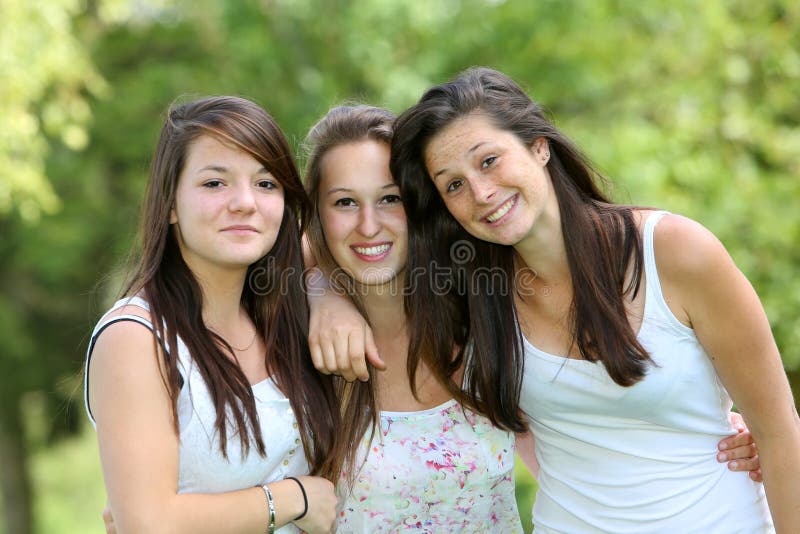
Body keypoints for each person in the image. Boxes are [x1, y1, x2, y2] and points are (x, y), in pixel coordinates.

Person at [385, 67, 798, 532]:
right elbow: (327, 257)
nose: (481, 193)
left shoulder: (674, 253)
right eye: (453, 185)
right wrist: (327, 305)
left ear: (539, 146)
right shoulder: (477, 296)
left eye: (489, 161)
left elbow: (780, 432)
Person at [85, 96, 340, 534]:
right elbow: (150, 525)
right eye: (214, 184)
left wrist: (330, 293)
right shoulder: (137, 337)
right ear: (169, 204)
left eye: (265, 183)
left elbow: (359, 241)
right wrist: (295, 498)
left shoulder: (274, 310)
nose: (244, 203)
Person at [302, 104, 523, 532]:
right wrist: (318, 288)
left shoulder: (485, 313)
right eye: (345, 202)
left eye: (390, 198)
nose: (369, 226)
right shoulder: (297, 342)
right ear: (317, 215)